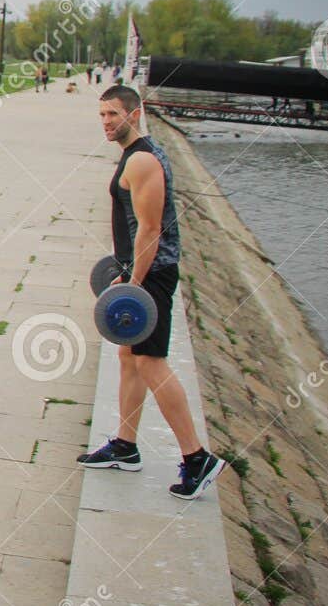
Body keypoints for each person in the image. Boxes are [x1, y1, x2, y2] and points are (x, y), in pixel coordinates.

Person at [77, 86, 224, 499]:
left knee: (152, 364)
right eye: (102, 114)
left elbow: (150, 229)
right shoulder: (136, 154)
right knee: (129, 358)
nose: (106, 122)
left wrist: (134, 284)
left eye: (114, 114)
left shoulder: (142, 159)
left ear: (135, 114)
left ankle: (197, 457)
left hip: (151, 276)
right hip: (137, 271)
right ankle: (125, 446)